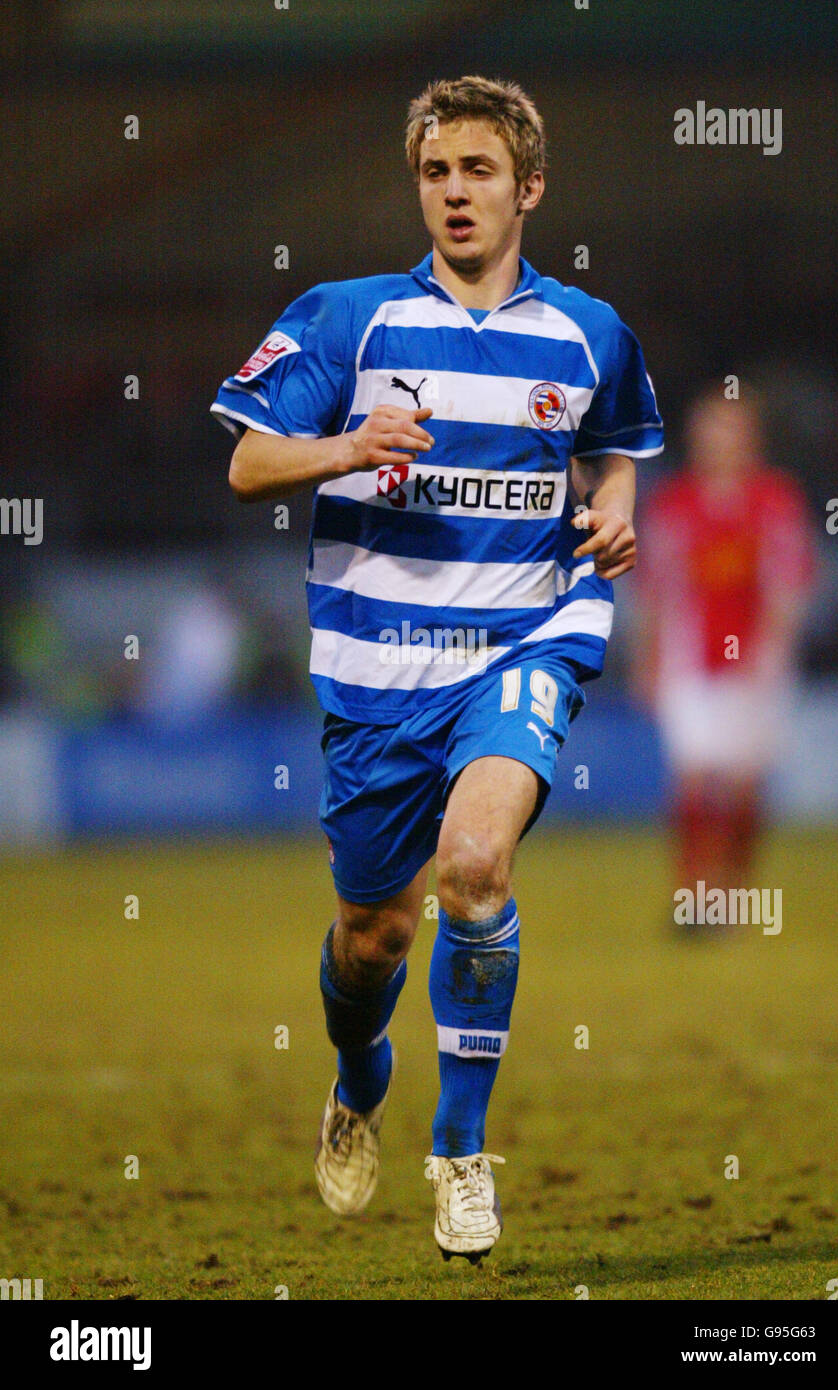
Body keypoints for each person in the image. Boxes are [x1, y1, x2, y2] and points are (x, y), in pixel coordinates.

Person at [211, 75, 663, 1262]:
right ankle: (360, 1078)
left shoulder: (587, 332)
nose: (454, 192)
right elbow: (251, 467)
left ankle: (460, 1153)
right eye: (434, 172)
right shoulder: (344, 318)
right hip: (376, 672)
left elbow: (611, 455)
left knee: (473, 867)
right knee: (374, 934)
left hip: (525, 637)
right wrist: (347, 445)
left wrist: (611, 520)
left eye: (477, 170)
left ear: (529, 188)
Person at [634, 385, 814, 923]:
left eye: (729, 428)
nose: (717, 440)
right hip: (689, 659)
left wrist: (774, 646)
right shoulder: (675, 502)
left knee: (742, 785)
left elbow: (789, 581)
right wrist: (648, 658)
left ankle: (733, 890)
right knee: (691, 777)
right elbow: (654, 589)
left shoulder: (775, 499)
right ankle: (692, 895)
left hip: (756, 662)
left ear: (750, 437)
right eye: (709, 428)